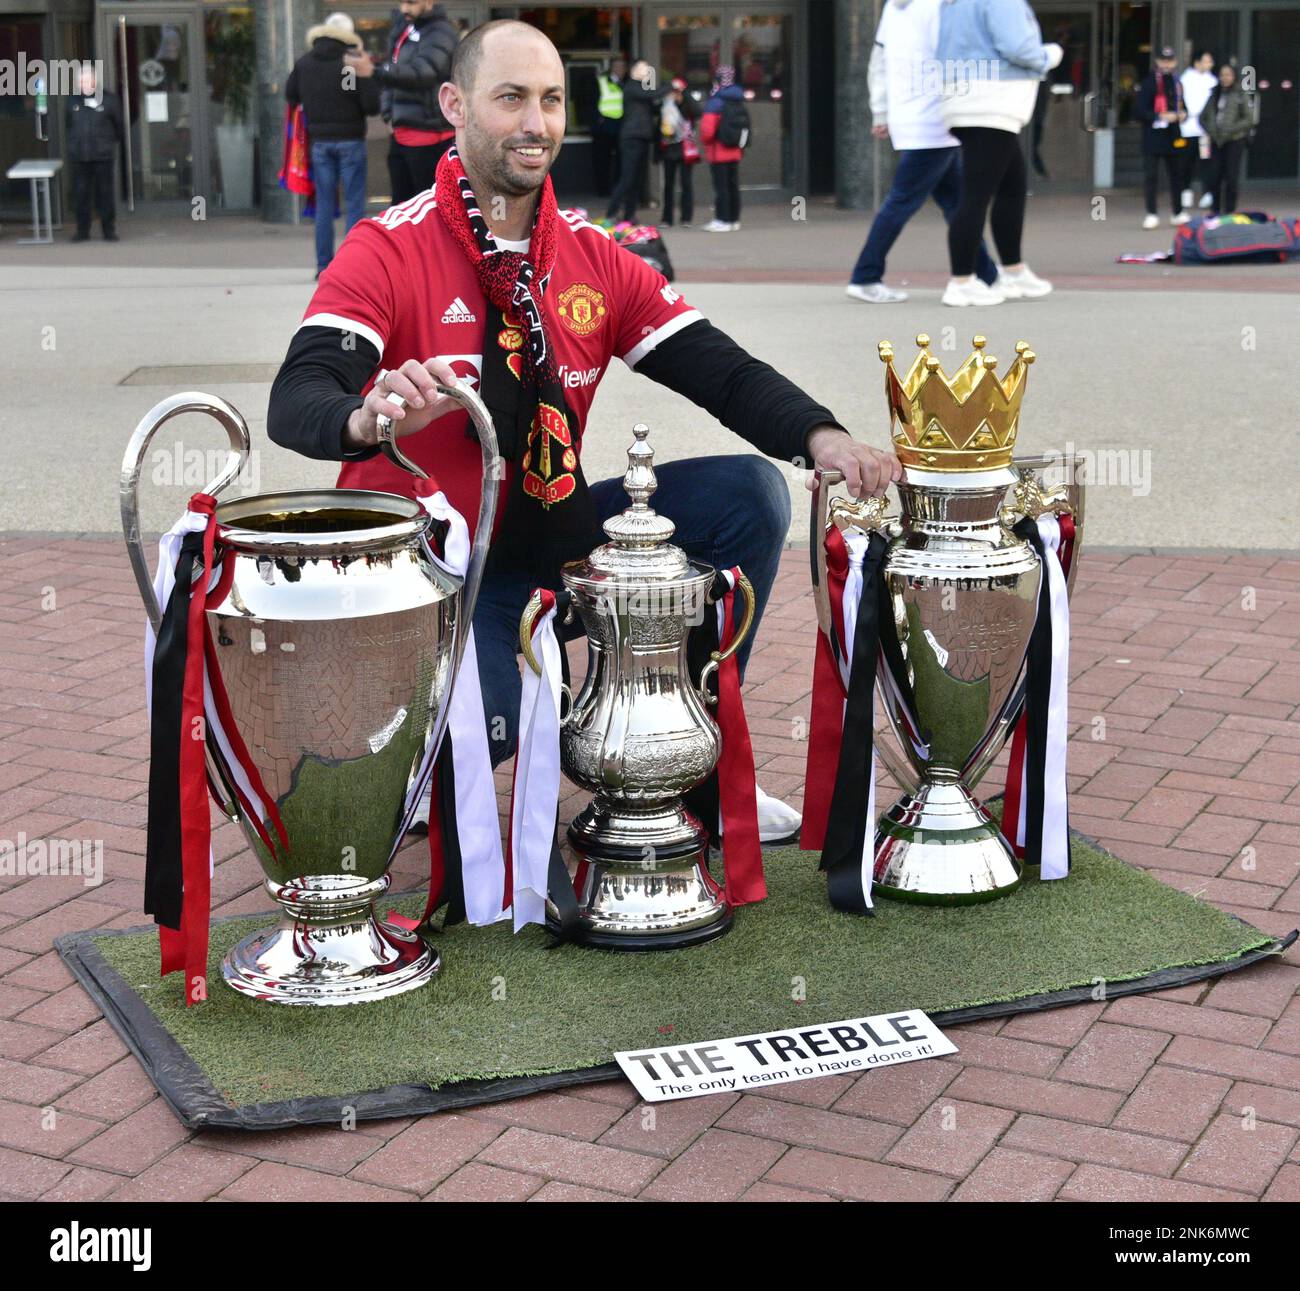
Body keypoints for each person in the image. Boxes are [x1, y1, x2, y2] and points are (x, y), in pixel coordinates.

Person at [267, 19, 901, 842]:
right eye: (511, 99)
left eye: (552, 100)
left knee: (749, 493)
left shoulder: (592, 256)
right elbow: (296, 395)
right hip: (444, 584)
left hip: (559, 551)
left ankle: (689, 756)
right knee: (488, 734)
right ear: (454, 105)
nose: (536, 123)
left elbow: (723, 371)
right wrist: (366, 414)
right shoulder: (389, 245)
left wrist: (823, 436)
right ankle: (411, 748)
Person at [846, 0, 999, 305]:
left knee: (955, 202)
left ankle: (988, 275)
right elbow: (957, 58)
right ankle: (865, 276)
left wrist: (881, 111)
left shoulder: (895, 6)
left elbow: (879, 61)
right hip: (938, 119)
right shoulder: (941, 6)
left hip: (914, 118)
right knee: (902, 202)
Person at [935, 0, 1061, 306]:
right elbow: (1018, 46)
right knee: (977, 195)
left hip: (967, 99)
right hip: (992, 101)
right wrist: (1049, 55)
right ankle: (962, 281)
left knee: (1011, 185)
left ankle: (1013, 270)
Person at [285, 13, 380, 277]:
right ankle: (352, 267)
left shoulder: (305, 63)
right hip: (350, 140)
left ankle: (323, 266)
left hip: (320, 143)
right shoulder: (350, 64)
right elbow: (371, 106)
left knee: (324, 206)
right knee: (354, 205)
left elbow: (290, 94)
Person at [345, 0, 458, 205]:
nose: (405, 8)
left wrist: (374, 71)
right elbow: (394, 73)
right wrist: (389, 115)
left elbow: (423, 73)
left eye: (411, 2)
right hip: (403, 135)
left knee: (430, 213)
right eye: (402, 2)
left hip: (430, 138)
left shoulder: (440, 32)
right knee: (402, 210)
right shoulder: (405, 29)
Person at [604, 59, 666, 224]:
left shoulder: (642, 89)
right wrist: (670, 86)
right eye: (643, 67)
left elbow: (652, 106)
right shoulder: (631, 87)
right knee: (627, 177)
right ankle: (611, 213)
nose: (646, 70)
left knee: (637, 179)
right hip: (631, 138)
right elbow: (652, 94)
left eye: (648, 67)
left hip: (643, 138)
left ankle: (629, 215)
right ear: (634, 70)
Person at [65, 65, 123, 243]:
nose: (83, 84)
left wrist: (107, 144)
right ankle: (82, 231)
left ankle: (109, 230)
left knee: (105, 194)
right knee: (81, 195)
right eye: (80, 81)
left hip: (102, 156)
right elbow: (69, 125)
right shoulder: (72, 101)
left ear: (94, 81)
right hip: (79, 156)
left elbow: (119, 126)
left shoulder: (109, 99)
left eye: (86, 80)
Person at [1136, 46, 1190, 230]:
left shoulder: (1177, 83)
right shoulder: (1149, 82)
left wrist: (1183, 114)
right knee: (1151, 176)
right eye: (1163, 60)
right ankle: (1151, 213)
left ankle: (1178, 212)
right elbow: (1139, 111)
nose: (1167, 64)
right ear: (1158, 62)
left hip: (1173, 136)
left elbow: (1184, 106)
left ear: (1174, 62)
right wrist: (1159, 116)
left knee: (1177, 175)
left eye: (1170, 60)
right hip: (1152, 136)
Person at [1200, 63, 1253, 216]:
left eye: (1228, 74)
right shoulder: (1214, 94)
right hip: (1216, 141)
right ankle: (1215, 210)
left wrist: (1231, 129)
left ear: (1234, 76)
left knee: (1231, 177)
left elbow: (1249, 118)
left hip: (1234, 141)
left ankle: (1229, 210)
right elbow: (1202, 118)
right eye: (1222, 74)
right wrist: (1211, 130)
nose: (1225, 77)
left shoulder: (1240, 94)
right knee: (1214, 176)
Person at [699, 66, 746, 233]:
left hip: (718, 152)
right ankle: (734, 220)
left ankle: (722, 220)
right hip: (735, 151)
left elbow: (707, 131)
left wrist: (704, 141)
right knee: (733, 186)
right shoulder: (738, 99)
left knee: (721, 188)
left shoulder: (715, 101)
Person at [1179, 49, 1217, 209]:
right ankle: (1185, 192)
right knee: (1186, 161)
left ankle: (1207, 193)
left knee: (1206, 161)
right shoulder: (1185, 79)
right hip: (1187, 128)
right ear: (1197, 62)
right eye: (1206, 60)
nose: (1209, 64)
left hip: (1205, 130)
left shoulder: (1213, 80)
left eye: (1210, 61)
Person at [658, 76, 699, 228]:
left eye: (677, 91)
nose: (674, 94)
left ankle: (686, 218)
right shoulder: (664, 107)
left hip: (685, 149)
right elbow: (658, 129)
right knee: (668, 186)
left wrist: (684, 95)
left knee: (686, 184)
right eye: (672, 91)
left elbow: (698, 111)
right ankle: (667, 218)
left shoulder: (688, 106)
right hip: (668, 149)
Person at [591, 56, 626, 198]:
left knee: (620, 161)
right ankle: (603, 191)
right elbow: (591, 102)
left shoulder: (627, 84)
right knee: (602, 161)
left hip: (621, 127)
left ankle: (617, 190)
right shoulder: (601, 81)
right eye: (617, 67)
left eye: (623, 67)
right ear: (612, 68)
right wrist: (597, 121)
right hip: (603, 127)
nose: (620, 70)